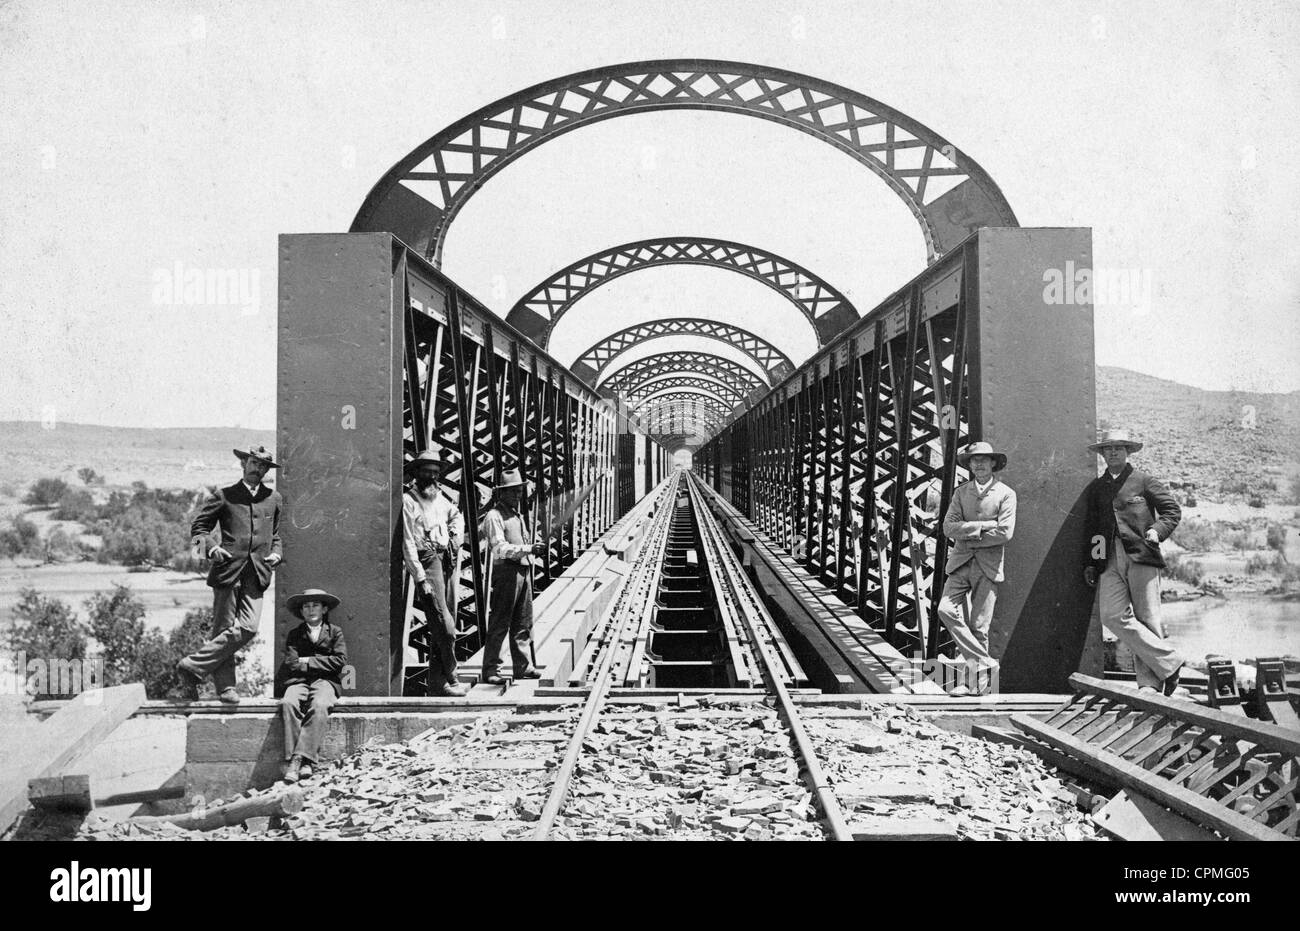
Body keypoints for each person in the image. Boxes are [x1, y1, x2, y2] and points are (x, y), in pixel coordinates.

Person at [177, 443, 283, 704]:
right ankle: (226, 689)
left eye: (263, 466)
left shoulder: (274, 499)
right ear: (243, 464)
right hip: (227, 570)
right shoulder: (224, 495)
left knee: (248, 628)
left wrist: (277, 554)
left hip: (257, 573)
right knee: (223, 629)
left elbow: (277, 535)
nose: (257, 469)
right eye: (254, 463)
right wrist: (212, 550)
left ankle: (192, 666)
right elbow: (199, 530)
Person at [1082, 429, 1185, 695]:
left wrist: (1157, 531)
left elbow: (1172, 511)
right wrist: (1091, 563)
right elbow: (1091, 528)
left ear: (1128, 451)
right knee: (1112, 615)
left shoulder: (1144, 481)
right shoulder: (1096, 487)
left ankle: (1149, 685)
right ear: (1102, 453)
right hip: (1108, 559)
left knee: (1148, 618)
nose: (1113, 452)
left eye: (1118, 447)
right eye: (1108, 448)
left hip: (1142, 555)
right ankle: (1170, 663)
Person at [936, 441, 1017, 694]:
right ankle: (985, 663)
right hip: (960, 563)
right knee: (946, 610)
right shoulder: (961, 492)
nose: (978, 464)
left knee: (979, 626)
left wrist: (968, 530)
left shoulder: (1005, 493)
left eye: (983, 459)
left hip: (988, 566)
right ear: (969, 465)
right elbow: (948, 528)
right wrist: (983, 526)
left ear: (993, 463)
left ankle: (976, 687)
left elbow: (1005, 533)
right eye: (974, 460)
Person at [401, 449, 469, 697]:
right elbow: (408, 543)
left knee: (441, 626)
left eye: (435, 472)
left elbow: (457, 516)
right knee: (446, 626)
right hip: (427, 562)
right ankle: (452, 675)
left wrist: (455, 537)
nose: (431, 476)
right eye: (426, 471)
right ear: (416, 473)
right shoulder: (409, 500)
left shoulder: (440, 498)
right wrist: (420, 578)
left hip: (446, 559)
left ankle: (437, 684)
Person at [480, 470, 546, 686]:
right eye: (513, 492)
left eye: (520, 491)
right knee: (501, 621)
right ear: (501, 493)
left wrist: (531, 549)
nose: (518, 495)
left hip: (523, 570)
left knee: (523, 622)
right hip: (507, 572)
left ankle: (523, 666)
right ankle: (491, 669)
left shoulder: (515, 515)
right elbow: (499, 548)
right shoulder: (494, 516)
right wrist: (528, 548)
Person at [277, 588, 348, 783]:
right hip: (298, 681)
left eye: (315, 605)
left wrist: (307, 661)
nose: (310, 610)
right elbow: (291, 663)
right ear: (301, 612)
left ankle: (299, 759)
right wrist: (321, 662)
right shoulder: (295, 634)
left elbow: (340, 661)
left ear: (324, 609)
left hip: (325, 681)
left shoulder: (335, 632)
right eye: (306, 606)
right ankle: (301, 760)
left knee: (319, 705)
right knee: (288, 703)